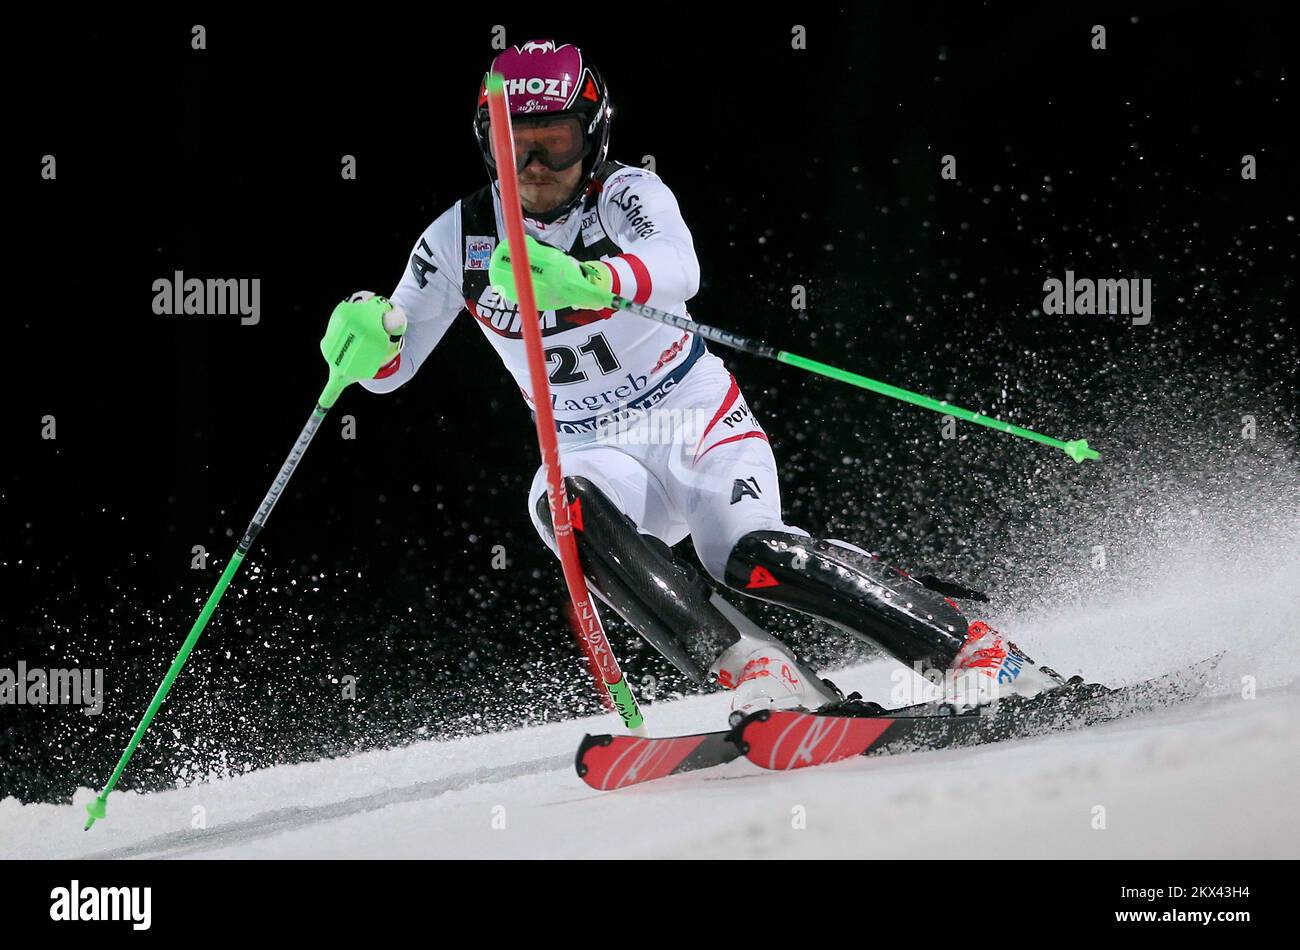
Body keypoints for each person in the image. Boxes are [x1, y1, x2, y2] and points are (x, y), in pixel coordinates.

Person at [347, 39, 1074, 718]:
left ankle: (976, 653)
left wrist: (592, 278)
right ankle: (759, 670)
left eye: (556, 140)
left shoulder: (625, 193)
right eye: (516, 143)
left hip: (691, 417)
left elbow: (679, 269)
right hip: (592, 447)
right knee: (557, 504)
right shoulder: (460, 236)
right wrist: (362, 343)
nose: (535, 164)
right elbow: (392, 364)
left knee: (746, 554)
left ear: (591, 136)